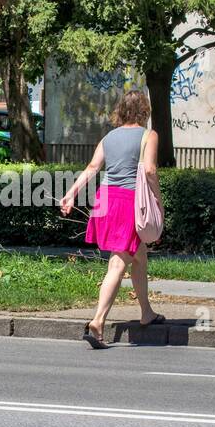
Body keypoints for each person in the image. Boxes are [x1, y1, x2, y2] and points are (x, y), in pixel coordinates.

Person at [59, 89, 163, 349]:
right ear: (144, 110)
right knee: (118, 264)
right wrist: (159, 201)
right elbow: (149, 170)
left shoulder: (109, 137)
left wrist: (70, 195)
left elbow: (93, 168)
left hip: (105, 199)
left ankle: (146, 313)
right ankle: (97, 321)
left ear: (121, 110)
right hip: (128, 201)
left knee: (139, 256)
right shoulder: (149, 135)